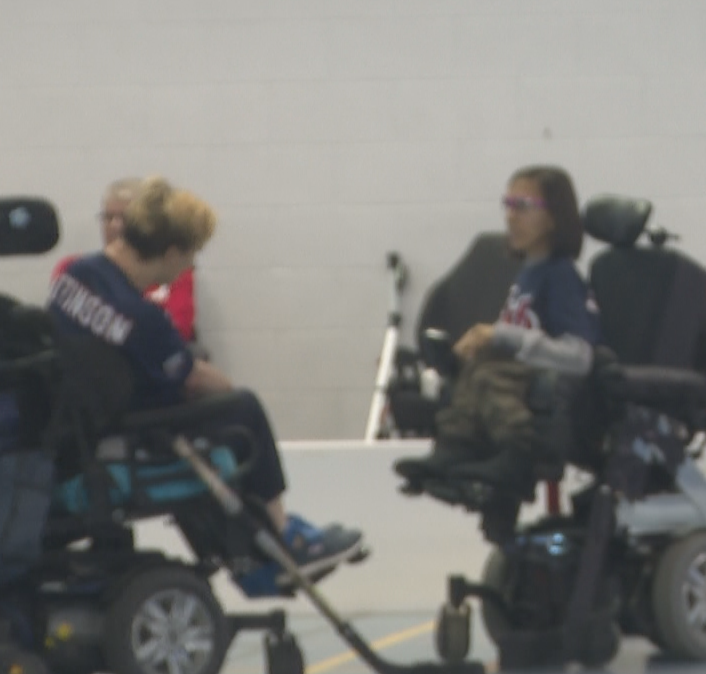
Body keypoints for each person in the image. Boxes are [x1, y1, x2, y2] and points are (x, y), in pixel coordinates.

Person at [45, 176, 364, 596]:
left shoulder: (75, 277)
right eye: (191, 256)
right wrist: (224, 384)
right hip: (127, 431)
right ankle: (283, 534)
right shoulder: (144, 319)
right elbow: (193, 379)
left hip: (81, 423)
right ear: (172, 251)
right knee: (241, 409)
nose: (188, 267)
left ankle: (262, 541)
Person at [394, 165, 602, 489]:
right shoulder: (527, 274)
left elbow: (579, 355)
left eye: (523, 207)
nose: (510, 217)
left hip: (545, 378)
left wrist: (499, 335)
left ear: (553, 218)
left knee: (490, 375)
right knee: (473, 370)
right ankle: (455, 448)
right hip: (516, 370)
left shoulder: (561, 277)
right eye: (508, 206)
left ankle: (516, 453)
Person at [56, 178, 202, 349]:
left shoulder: (172, 272)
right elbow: (63, 329)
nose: (115, 226)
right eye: (108, 217)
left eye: (125, 218)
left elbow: (180, 329)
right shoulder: (73, 268)